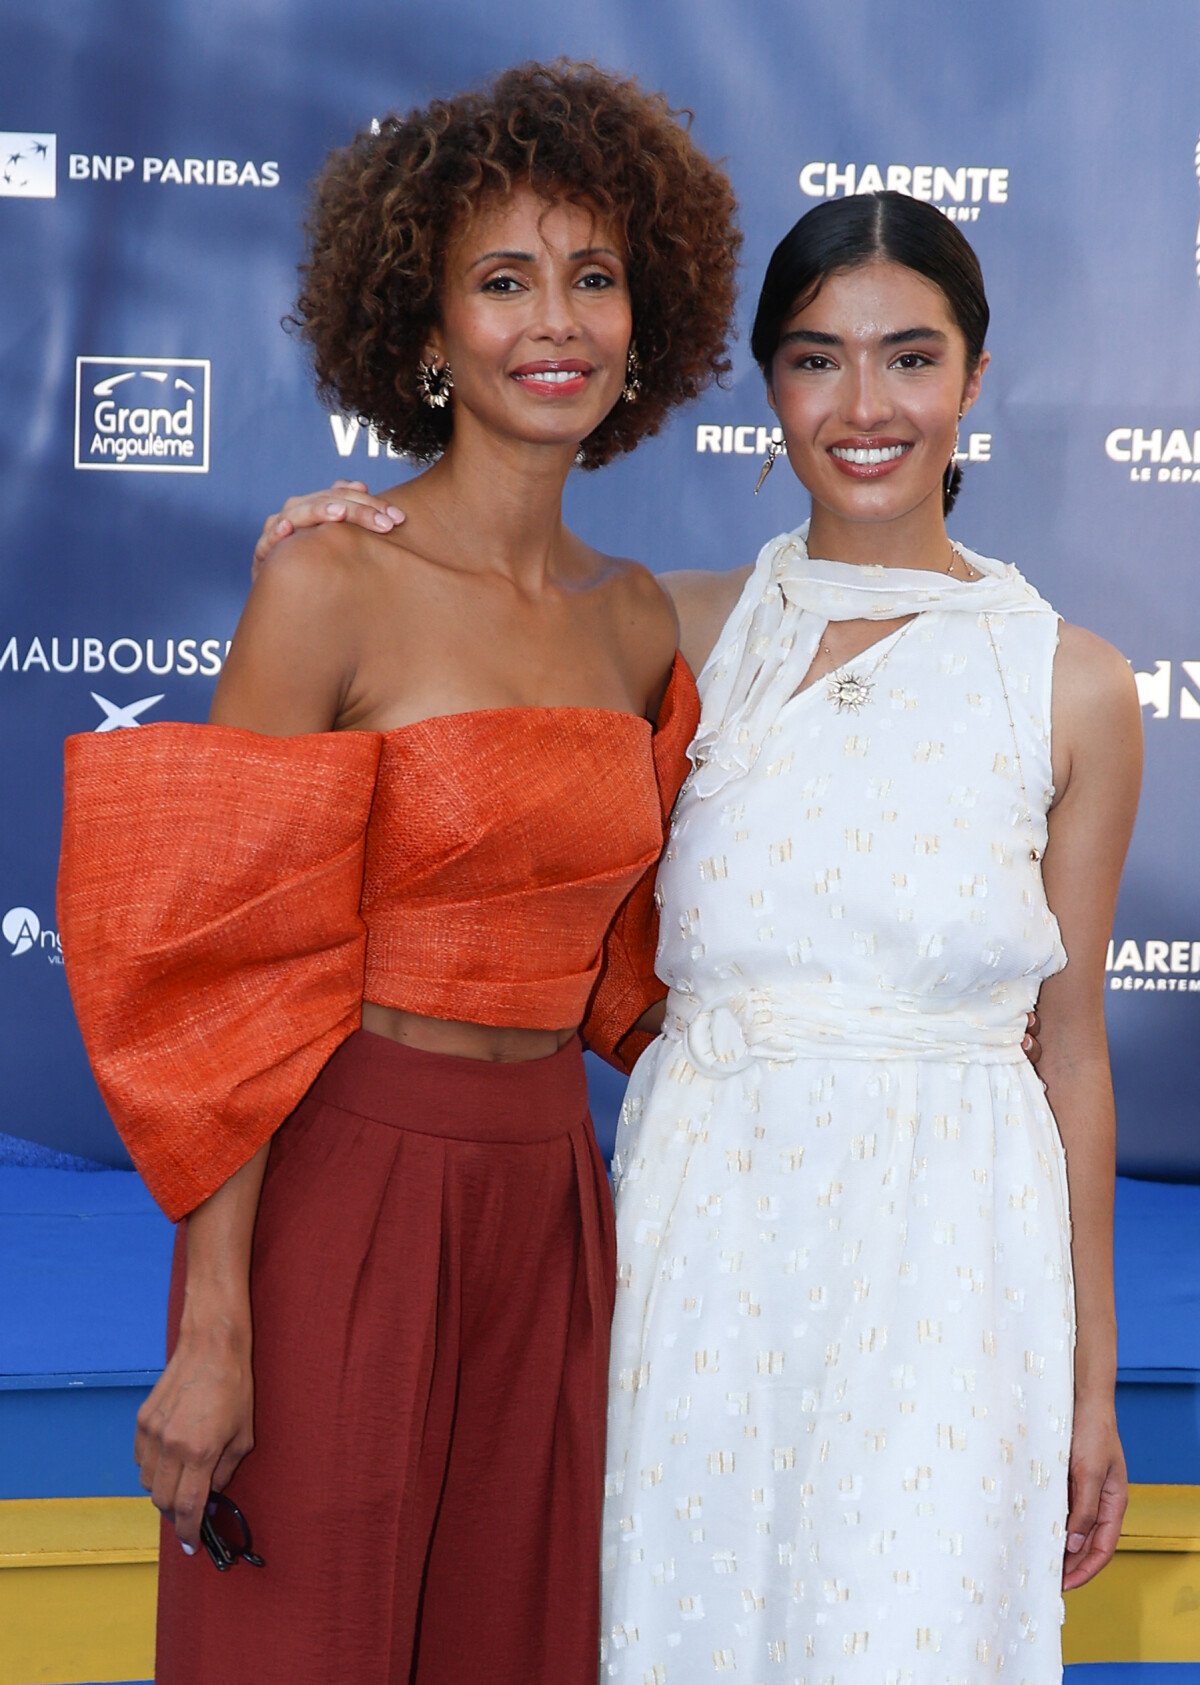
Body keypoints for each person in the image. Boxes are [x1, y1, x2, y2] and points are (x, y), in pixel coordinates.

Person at [267, 193, 1137, 1680]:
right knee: (679, 1629)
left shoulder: (1074, 686)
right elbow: (461, 629)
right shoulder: (664, 629)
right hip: (702, 1238)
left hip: (954, 1265)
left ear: (976, 377)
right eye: (816, 360)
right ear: (766, 385)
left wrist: (1091, 1384)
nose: (865, 407)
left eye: (910, 358)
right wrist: (354, 529)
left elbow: (1070, 1051)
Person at [56, 61, 739, 1685]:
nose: (554, 319)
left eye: (593, 278)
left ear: (646, 324)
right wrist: (213, 1321)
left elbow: (865, 590)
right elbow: (225, 978)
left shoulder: (648, 617)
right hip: (341, 1190)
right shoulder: (327, 585)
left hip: (553, 1207)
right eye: (503, 280)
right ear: (427, 332)